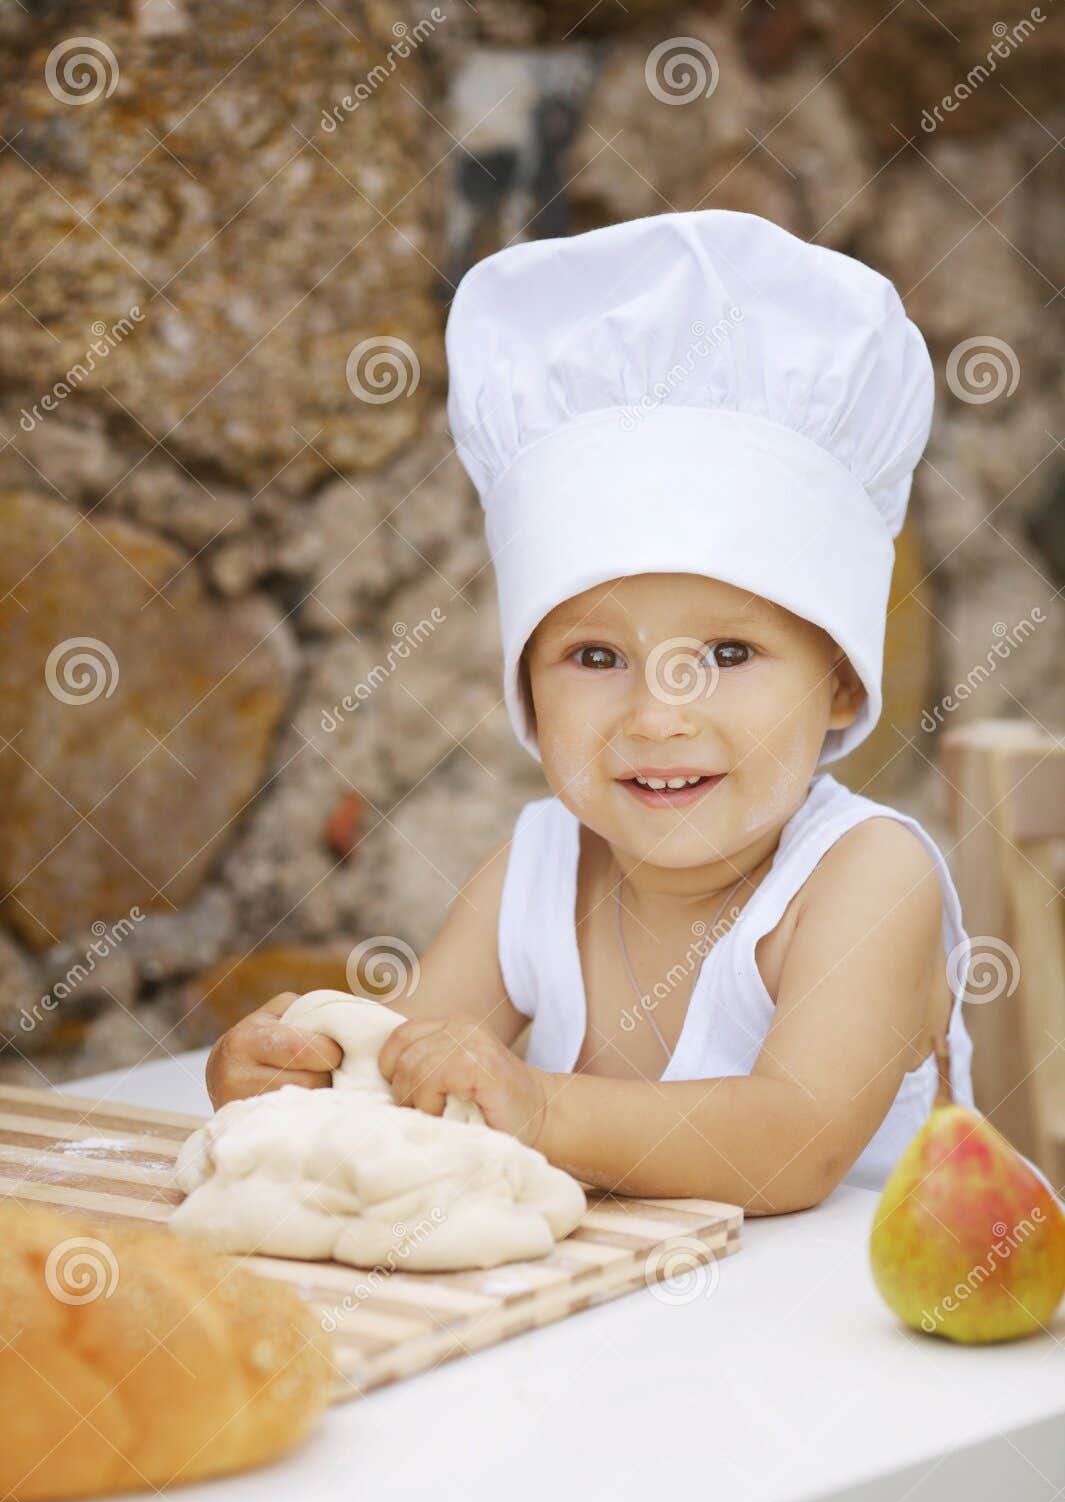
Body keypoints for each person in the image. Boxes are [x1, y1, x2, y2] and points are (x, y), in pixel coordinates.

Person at [208, 210, 985, 1216]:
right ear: (525, 683)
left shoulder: (867, 876)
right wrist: (290, 1085)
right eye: (596, 656)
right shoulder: (534, 869)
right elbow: (401, 1077)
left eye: (729, 652)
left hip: (852, 1348)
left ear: (841, 677)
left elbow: (794, 1142)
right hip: (615, 1347)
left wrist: (538, 1108)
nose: (660, 714)